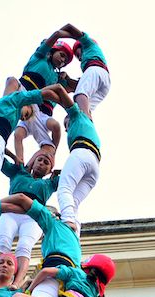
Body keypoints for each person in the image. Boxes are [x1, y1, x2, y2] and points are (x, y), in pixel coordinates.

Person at [0, 150, 60, 287]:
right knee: (3, 242)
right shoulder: (19, 172)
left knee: (24, 246)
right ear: (33, 162)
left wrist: (59, 173)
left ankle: (16, 283)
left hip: (32, 217)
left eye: (46, 163)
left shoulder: (50, 183)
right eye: (39, 160)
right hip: (10, 213)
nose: (41, 163)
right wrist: (13, 156)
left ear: (49, 170)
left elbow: (72, 177)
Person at [47, 84, 101, 233]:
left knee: (64, 189)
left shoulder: (78, 116)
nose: (66, 129)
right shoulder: (88, 127)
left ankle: (68, 221)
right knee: (74, 201)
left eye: (66, 124)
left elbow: (60, 91)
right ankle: (74, 235)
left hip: (81, 153)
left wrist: (42, 94)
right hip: (94, 165)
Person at [61, 23, 111, 115]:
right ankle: (85, 121)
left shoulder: (89, 44)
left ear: (81, 46)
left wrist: (56, 36)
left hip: (96, 69)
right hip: (105, 81)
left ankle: (83, 119)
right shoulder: (93, 56)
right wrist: (67, 79)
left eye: (78, 54)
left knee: (80, 95)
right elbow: (78, 85)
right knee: (83, 109)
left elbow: (69, 27)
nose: (80, 58)